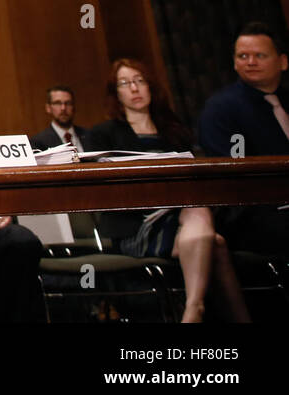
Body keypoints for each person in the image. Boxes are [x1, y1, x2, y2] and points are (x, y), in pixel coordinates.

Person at [84, 58, 249, 322]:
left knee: (199, 215)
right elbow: (101, 190)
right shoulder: (103, 134)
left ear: (151, 86)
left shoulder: (174, 129)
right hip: (136, 225)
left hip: (184, 215)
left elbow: (198, 175)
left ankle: (194, 308)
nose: (135, 88)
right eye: (125, 83)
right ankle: (202, 311)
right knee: (214, 243)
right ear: (116, 93)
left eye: (140, 80)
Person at [198, 22, 289, 256]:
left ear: (283, 62)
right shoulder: (221, 109)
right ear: (234, 62)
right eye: (243, 56)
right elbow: (232, 171)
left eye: (259, 55)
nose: (250, 62)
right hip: (254, 212)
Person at [30, 86, 88, 151]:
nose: (63, 108)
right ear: (48, 108)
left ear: (73, 107)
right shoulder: (38, 142)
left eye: (68, 103)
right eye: (57, 103)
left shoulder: (90, 136)